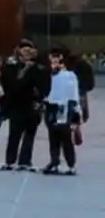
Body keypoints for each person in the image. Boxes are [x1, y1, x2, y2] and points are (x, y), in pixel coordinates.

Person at [0, 39, 45, 171]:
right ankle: (10, 160)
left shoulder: (37, 67)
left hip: (32, 105)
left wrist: (39, 101)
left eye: (30, 50)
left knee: (30, 135)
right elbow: (13, 85)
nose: (27, 53)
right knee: (14, 134)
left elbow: (42, 86)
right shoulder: (11, 67)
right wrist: (25, 70)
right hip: (16, 105)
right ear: (18, 51)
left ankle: (25, 160)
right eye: (24, 50)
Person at [43, 48, 82, 176]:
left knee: (66, 138)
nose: (53, 65)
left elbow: (74, 95)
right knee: (53, 137)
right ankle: (55, 162)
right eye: (51, 62)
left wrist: (76, 113)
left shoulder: (69, 76)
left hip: (65, 108)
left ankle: (70, 164)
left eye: (56, 61)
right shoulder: (48, 76)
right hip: (52, 107)